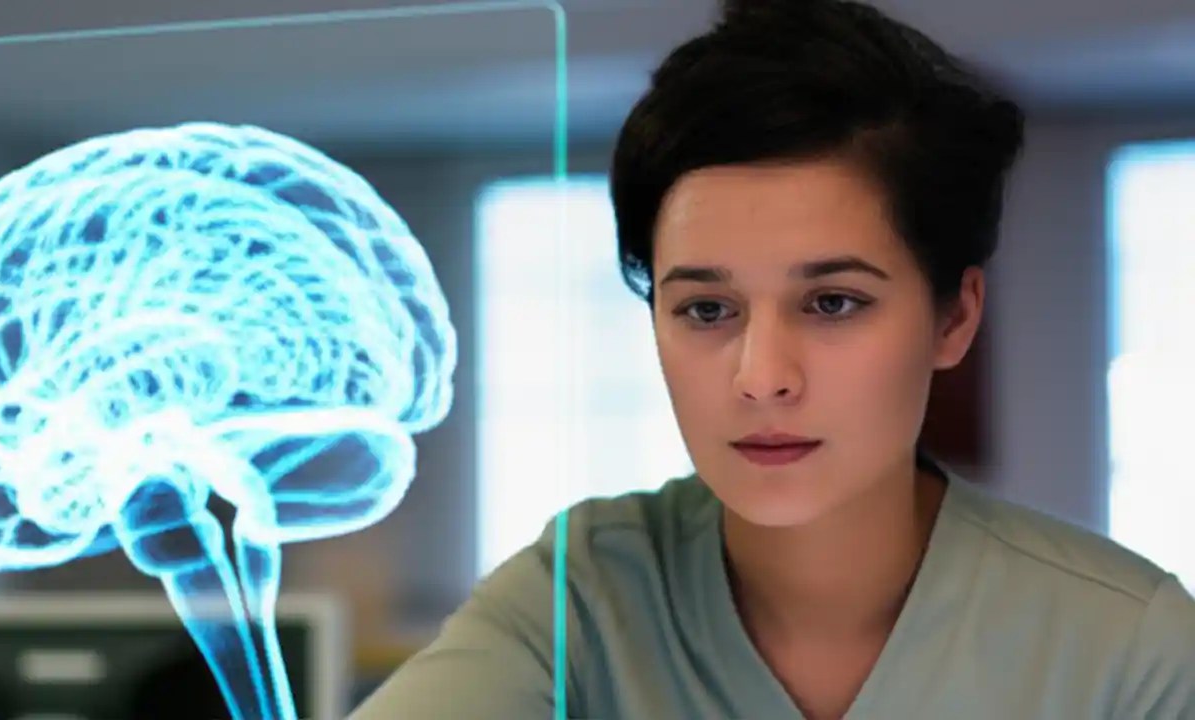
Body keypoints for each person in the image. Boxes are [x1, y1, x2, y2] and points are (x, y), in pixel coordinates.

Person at [349, 0, 1195, 718]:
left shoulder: (1128, 649)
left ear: (954, 317)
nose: (761, 375)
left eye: (832, 303)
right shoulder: (586, 597)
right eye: (706, 309)